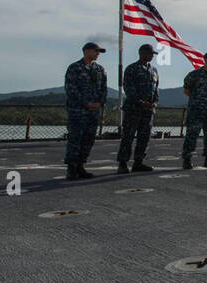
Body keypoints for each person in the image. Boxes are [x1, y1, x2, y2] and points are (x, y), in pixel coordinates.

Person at [63, 41, 108, 180]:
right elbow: (71, 89)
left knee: (88, 139)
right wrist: (85, 103)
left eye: (99, 52)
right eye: (96, 51)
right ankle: (71, 168)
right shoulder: (75, 68)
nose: (98, 54)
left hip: (94, 111)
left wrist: (99, 103)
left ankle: (81, 166)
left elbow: (104, 89)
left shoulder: (100, 69)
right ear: (86, 51)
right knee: (75, 139)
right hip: (78, 110)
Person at [118, 43, 159, 173]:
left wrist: (154, 103)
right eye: (150, 53)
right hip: (133, 109)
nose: (152, 56)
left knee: (144, 137)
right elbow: (129, 88)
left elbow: (155, 89)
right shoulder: (132, 69)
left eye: (153, 54)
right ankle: (123, 163)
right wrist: (141, 102)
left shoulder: (153, 70)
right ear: (141, 53)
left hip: (148, 111)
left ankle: (138, 162)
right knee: (128, 137)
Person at [182, 51, 207, 169]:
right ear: (206, 60)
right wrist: (197, 100)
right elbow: (186, 90)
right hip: (196, 110)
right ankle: (187, 159)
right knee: (192, 134)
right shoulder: (194, 74)